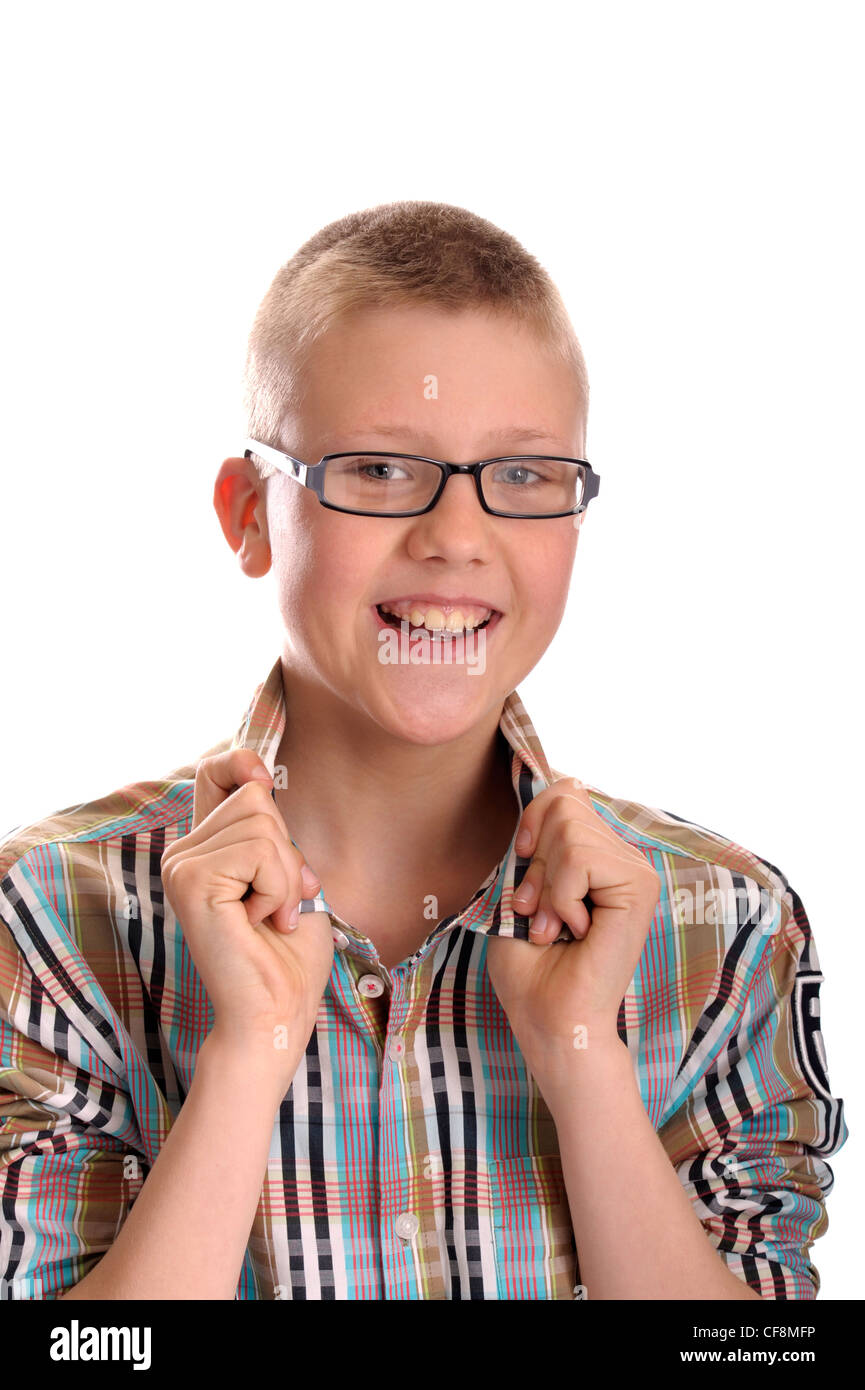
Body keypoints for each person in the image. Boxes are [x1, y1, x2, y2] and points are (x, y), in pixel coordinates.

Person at [0, 201, 847, 1302]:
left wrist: (586, 1060)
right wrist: (246, 1053)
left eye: (525, 474)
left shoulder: (725, 926)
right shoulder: (54, 917)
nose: (456, 536)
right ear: (250, 512)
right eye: (381, 471)